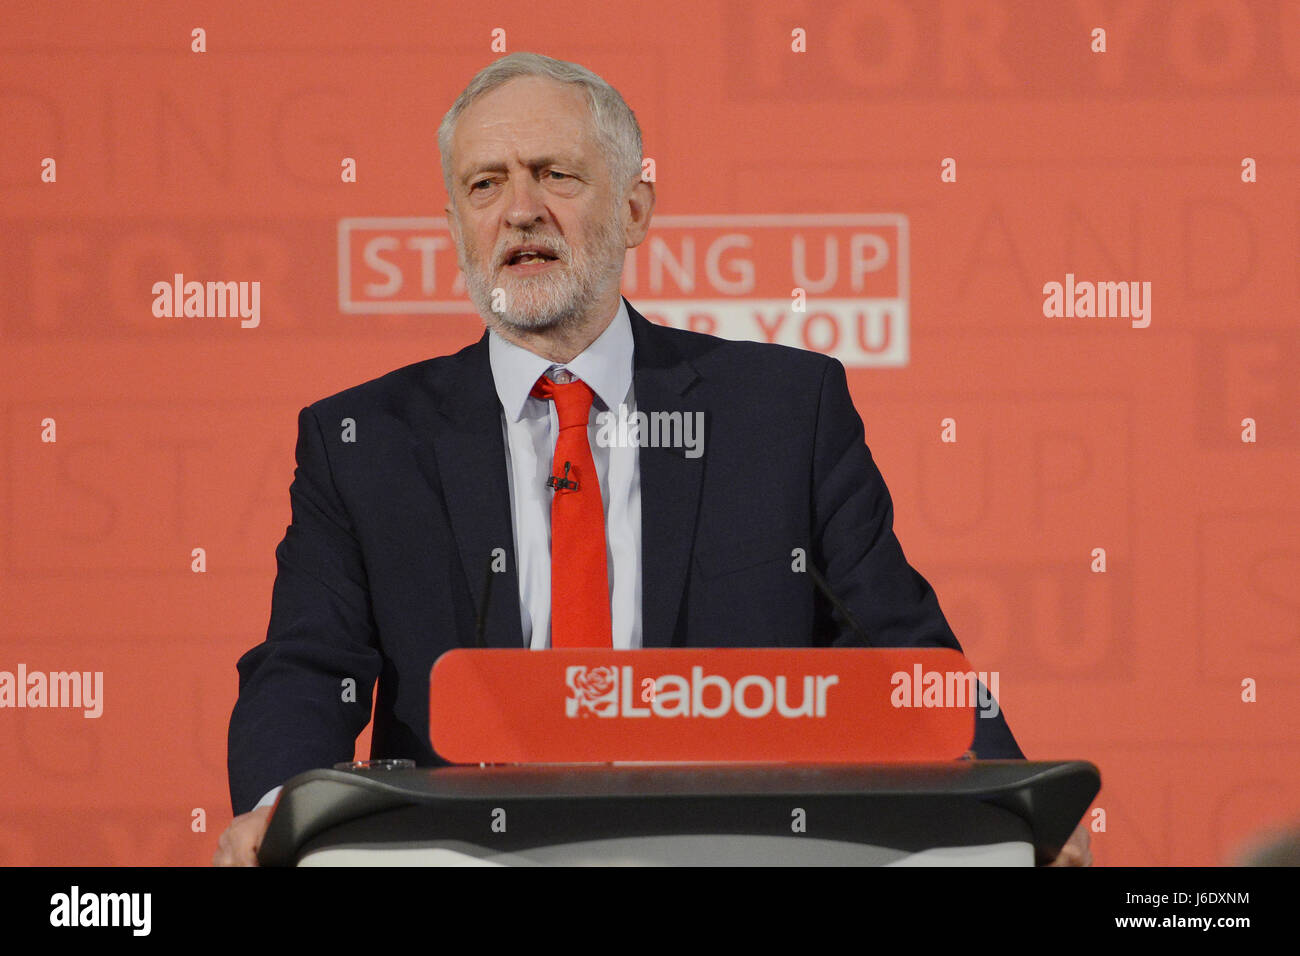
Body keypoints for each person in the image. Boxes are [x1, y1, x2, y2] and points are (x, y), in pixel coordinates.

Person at [215, 52, 1090, 867]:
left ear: (635, 209)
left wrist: (1008, 814)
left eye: (556, 175)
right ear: (455, 227)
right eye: (485, 185)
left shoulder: (781, 413)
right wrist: (276, 810)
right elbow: (307, 666)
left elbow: (900, 655)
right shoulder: (365, 441)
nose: (520, 209)